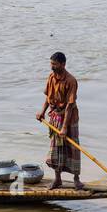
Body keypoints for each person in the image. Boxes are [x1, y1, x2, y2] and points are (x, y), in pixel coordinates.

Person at [37, 51, 83, 189]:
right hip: (56, 116)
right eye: (51, 64)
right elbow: (48, 98)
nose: (52, 67)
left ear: (63, 64)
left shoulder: (71, 80)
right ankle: (58, 179)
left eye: (55, 64)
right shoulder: (51, 77)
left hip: (69, 118)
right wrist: (42, 112)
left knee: (73, 148)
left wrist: (64, 127)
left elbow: (69, 105)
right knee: (56, 148)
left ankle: (76, 179)